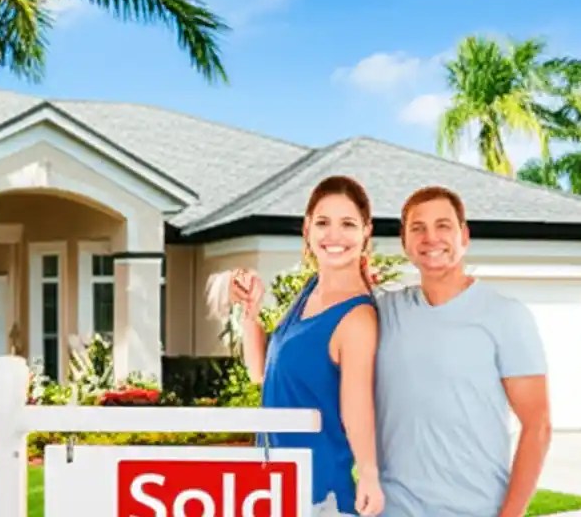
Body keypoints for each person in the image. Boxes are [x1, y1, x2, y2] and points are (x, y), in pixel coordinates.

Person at [371, 185, 551, 517]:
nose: (431, 238)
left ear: (464, 236)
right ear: (404, 241)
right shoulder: (383, 313)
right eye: (418, 228)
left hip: (476, 509)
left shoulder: (505, 315)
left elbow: (537, 425)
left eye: (443, 225)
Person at [217, 175, 384, 517]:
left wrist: (369, 474)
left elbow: (357, 406)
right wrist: (251, 312)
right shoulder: (310, 292)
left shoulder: (357, 318)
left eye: (348, 224)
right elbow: (262, 374)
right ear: (307, 228)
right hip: (277, 491)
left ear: (366, 231)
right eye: (323, 223)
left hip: (321, 498)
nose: (334, 235)